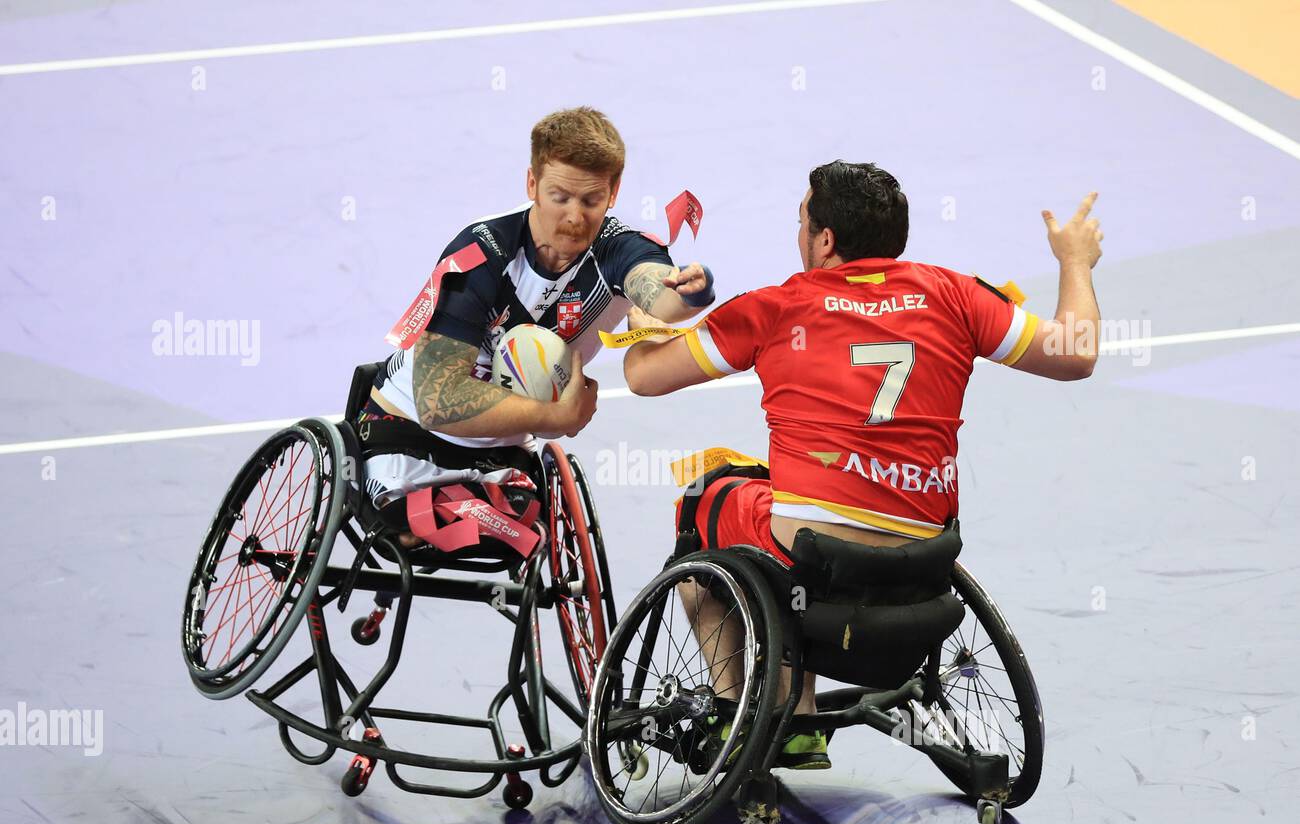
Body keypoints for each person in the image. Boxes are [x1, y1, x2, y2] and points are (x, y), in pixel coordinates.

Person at [620, 160, 1102, 767]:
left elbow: (643, 377)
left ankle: (736, 712)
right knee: (790, 498)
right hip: (923, 560)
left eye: (802, 221)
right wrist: (1075, 261)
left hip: (812, 557)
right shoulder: (957, 295)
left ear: (824, 240)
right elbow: (1077, 352)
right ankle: (797, 709)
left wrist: (646, 321)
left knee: (703, 499)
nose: (799, 233)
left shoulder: (773, 309)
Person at [358, 106, 717, 553]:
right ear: (532, 184)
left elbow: (659, 294)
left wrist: (691, 293)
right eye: (559, 196)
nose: (574, 216)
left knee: (529, 535)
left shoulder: (617, 248)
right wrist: (555, 418)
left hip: (500, 460)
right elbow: (439, 401)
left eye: (590, 201)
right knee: (421, 525)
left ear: (613, 194)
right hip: (409, 438)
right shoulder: (482, 252)